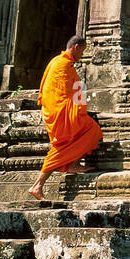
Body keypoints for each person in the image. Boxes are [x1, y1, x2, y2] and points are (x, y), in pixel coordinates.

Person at [28, 34, 102, 201]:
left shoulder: (57, 61)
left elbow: (69, 89)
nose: (82, 55)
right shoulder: (63, 65)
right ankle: (37, 185)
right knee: (90, 131)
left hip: (57, 111)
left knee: (77, 137)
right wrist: (80, 110)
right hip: (60, 113)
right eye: (82, 52)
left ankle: (74, 164)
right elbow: (69, 93)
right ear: (76, 48)